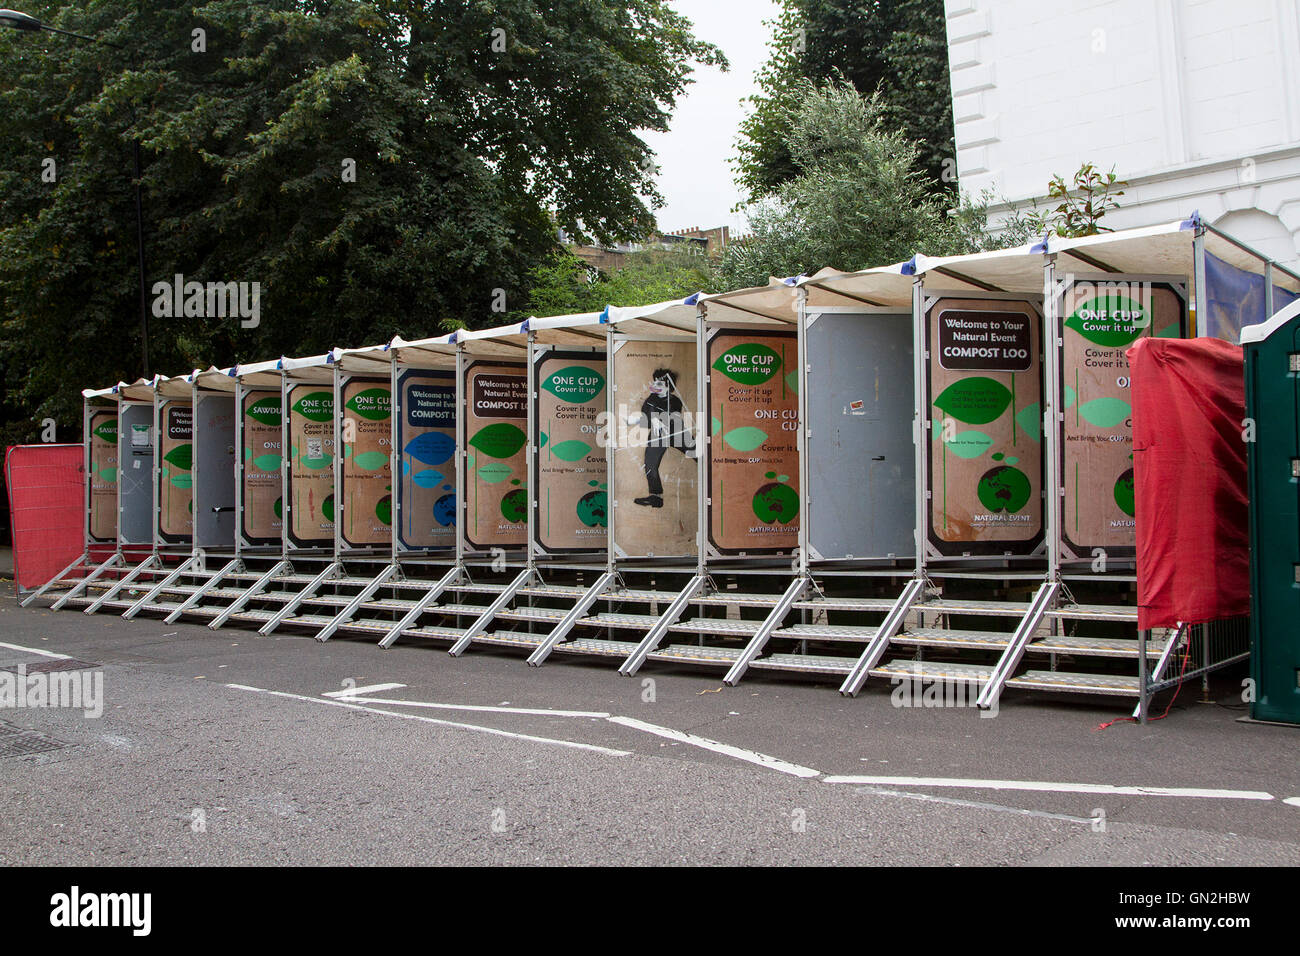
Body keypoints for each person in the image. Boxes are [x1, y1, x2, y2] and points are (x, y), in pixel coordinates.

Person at [629, 368, 695, 508]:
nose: (655, 386)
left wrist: (658, 419)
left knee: (699, 454)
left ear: (668, 386)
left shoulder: (675, 401)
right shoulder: (650, 399)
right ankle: (655, 497)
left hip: (676, 432)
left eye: (660, 383)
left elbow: (672, 417)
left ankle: (715, 482)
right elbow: (645, 418)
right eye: (655, 382)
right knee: (650, 464)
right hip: (658, 435)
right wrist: (636, 421)